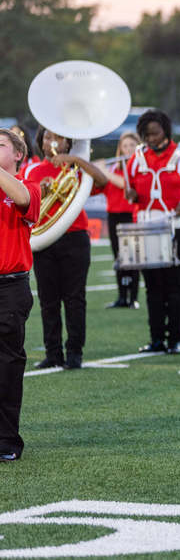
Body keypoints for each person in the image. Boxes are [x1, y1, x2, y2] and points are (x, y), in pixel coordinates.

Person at [23, 127, 107, 370]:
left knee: (74, 297)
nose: (53, 142)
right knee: (48, 300)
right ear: (41, 142)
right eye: (48, 137)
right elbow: (25, 200)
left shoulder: (77, 168)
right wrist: (42, 190)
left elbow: (102, 182)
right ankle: (53, 352)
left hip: (75, 237)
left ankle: (74, 352)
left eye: (58, 137)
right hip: (44, 239)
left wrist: (76, 160)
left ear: (69, 143)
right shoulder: (34, 170)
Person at [125, 110, 180, 355]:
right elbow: (131, 191)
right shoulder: (136, 158)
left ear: (165, 131)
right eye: (146, 135)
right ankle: (156, 338)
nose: (152, 139)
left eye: (155, 134)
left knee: (176, 285)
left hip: (176, 229)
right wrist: (131, 195)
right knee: (153, 287)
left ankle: (174, 339)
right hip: (146, 228)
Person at [0, 128, 39, 462]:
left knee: (7, 367)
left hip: (10, 287)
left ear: (17, 155)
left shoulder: (27, 186)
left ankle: (7, 441)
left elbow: (24, 201)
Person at [102, 132, 141, 310]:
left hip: (131, 216)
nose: (128, 149)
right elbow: (102, 185)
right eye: (125, 146)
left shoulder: (139, 168)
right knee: (119, 257)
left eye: (132, 146)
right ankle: (121, 296)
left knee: (132, 258)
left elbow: (125, 184)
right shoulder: (113, 169)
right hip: (114, 216)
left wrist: (102, 170)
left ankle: (132, 297)